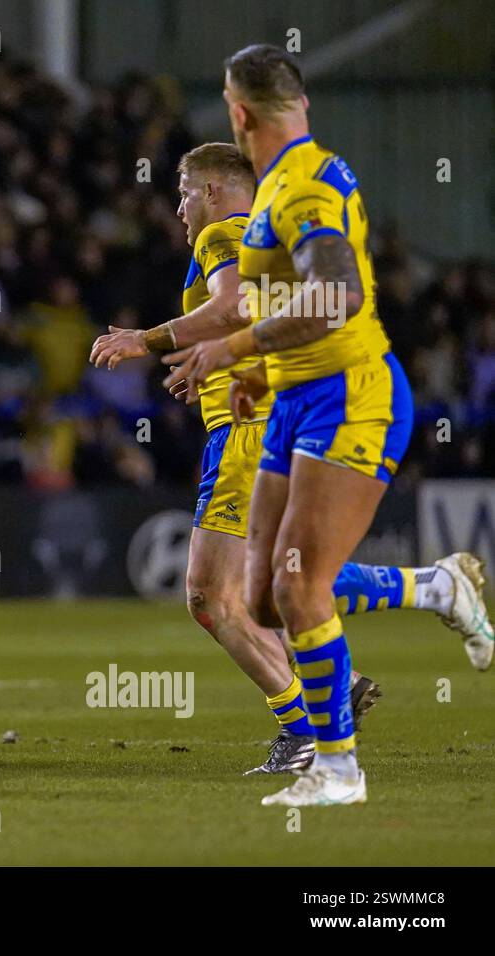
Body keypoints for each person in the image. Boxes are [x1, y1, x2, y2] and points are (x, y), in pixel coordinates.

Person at [91, 143, 491, 775]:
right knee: (277, 583)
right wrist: (218, 365)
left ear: (215, 193)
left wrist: (143, 339)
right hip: (279, 415)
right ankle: (431, 591)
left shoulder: (221, 233)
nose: (179, 207)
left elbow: (232, 306)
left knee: (209, 597)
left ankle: (303, 726)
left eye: (185, 192)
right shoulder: (269, 244)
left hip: (248, 435)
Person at [167, 44, 492, 806]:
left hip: (348, 395)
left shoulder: (302, 188)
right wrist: (253, 373)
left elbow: (336, 295)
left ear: (237, 112)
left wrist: (235, 346)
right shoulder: (280, 186)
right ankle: (436, 588)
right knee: (266, 596)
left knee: (289, 585)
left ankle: (336, 766)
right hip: (293, 399)